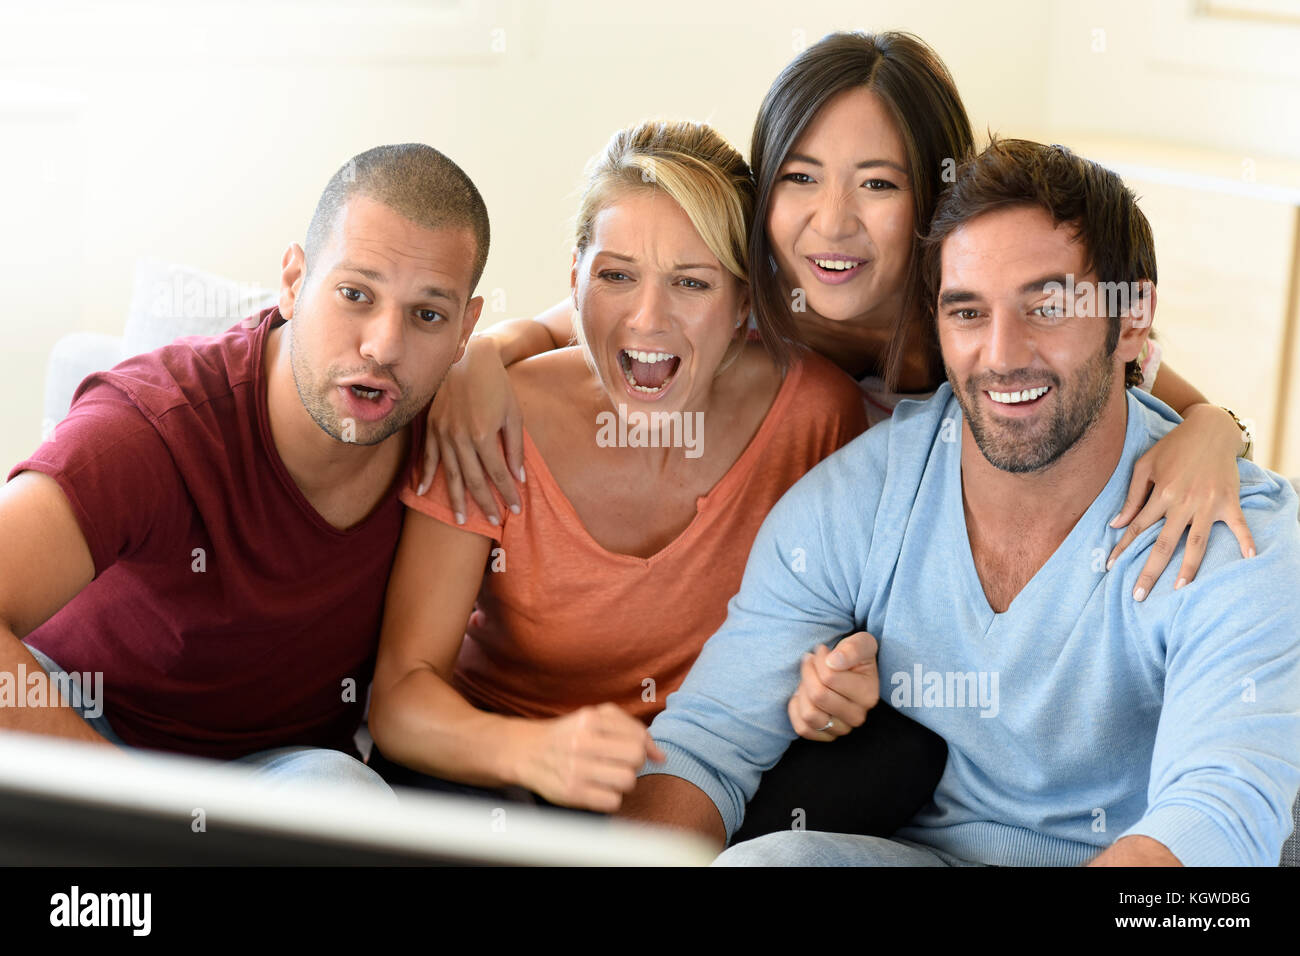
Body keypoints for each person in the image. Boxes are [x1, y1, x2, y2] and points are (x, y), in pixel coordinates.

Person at [616, 138, 1300, 867]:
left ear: (1132, 320)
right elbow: (703, 747)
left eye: (1047, 307)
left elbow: (1218, 814)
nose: (1003, 354)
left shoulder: (1241, 537)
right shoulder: (859, 500)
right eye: (968, 313)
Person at [365, 120, 945, 827]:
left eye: (691, 282)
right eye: (615, 276)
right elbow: (400, 695)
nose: (647, 319)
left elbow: (840, 624)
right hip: (504, 762)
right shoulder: (489, 415)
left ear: (742, 307)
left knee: (899, 754)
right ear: (573, 277)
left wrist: (836, 684)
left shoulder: (814, 412)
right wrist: (535, 752)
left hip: (703, 764)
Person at [0, 144, 487, 791]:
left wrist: (504, 356)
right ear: (293, 281)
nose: (384, 346)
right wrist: (136, 807)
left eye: (428, 315)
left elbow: (627, 319)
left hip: (276, 774)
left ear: (465, 329)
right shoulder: (153, 424)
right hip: (83, 730)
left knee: (349, 796)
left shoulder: (454, 436)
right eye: (355, 294)